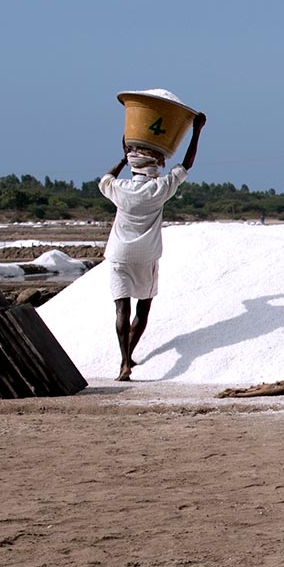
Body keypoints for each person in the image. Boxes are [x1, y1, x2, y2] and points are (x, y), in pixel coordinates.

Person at [99, 113, 204, 381]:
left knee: (120, 309)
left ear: (134, 167)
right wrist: (196, 131)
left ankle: (124, 361)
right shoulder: (159, 188)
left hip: (119, 253)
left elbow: (105, 178)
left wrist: (123, 157)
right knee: (142, 309)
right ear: (154, 168)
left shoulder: (120, 189)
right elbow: (185, 165)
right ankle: (130, 355)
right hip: (146, 255)